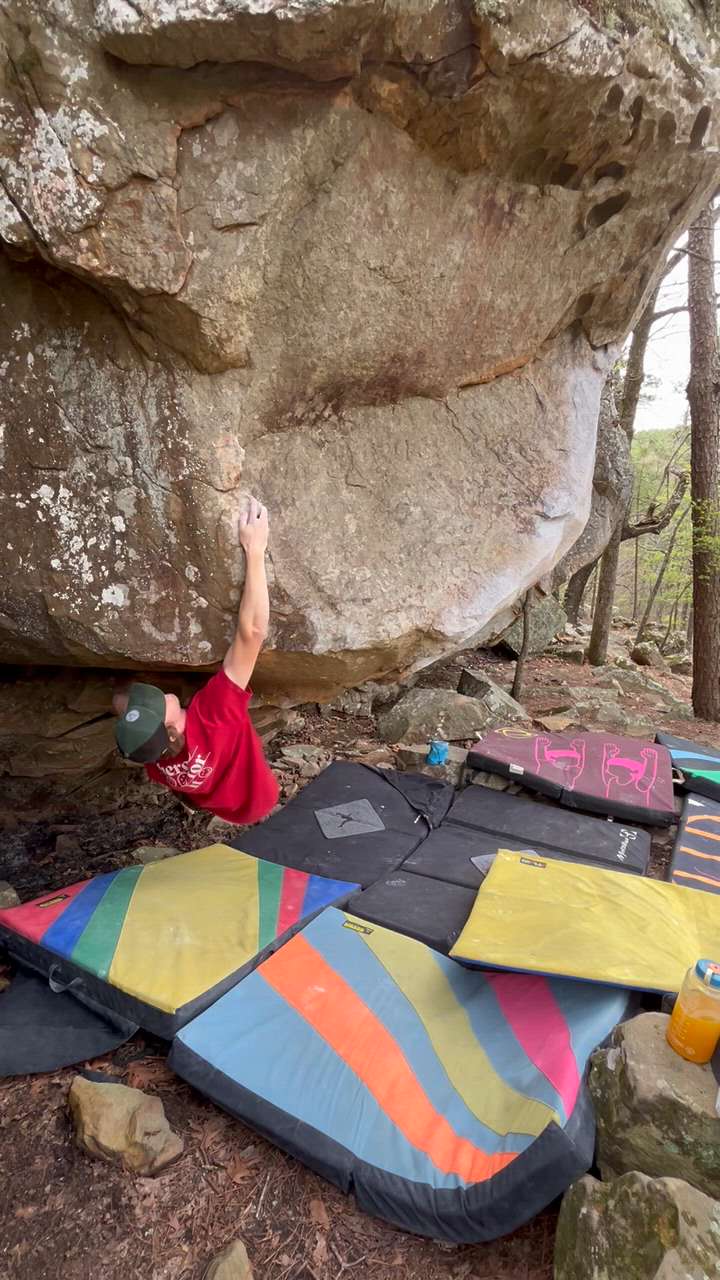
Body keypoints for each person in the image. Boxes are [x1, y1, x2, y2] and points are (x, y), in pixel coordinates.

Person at [113, 496, 279, 826]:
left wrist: (124, 700)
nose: (153, 697)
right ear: (171, 729)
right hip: (258, 798)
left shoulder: (155, 759)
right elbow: (253, 632)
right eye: (154, 707)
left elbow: (120, 702)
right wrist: (255, 550)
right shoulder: (213, 716)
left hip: (221, 805)